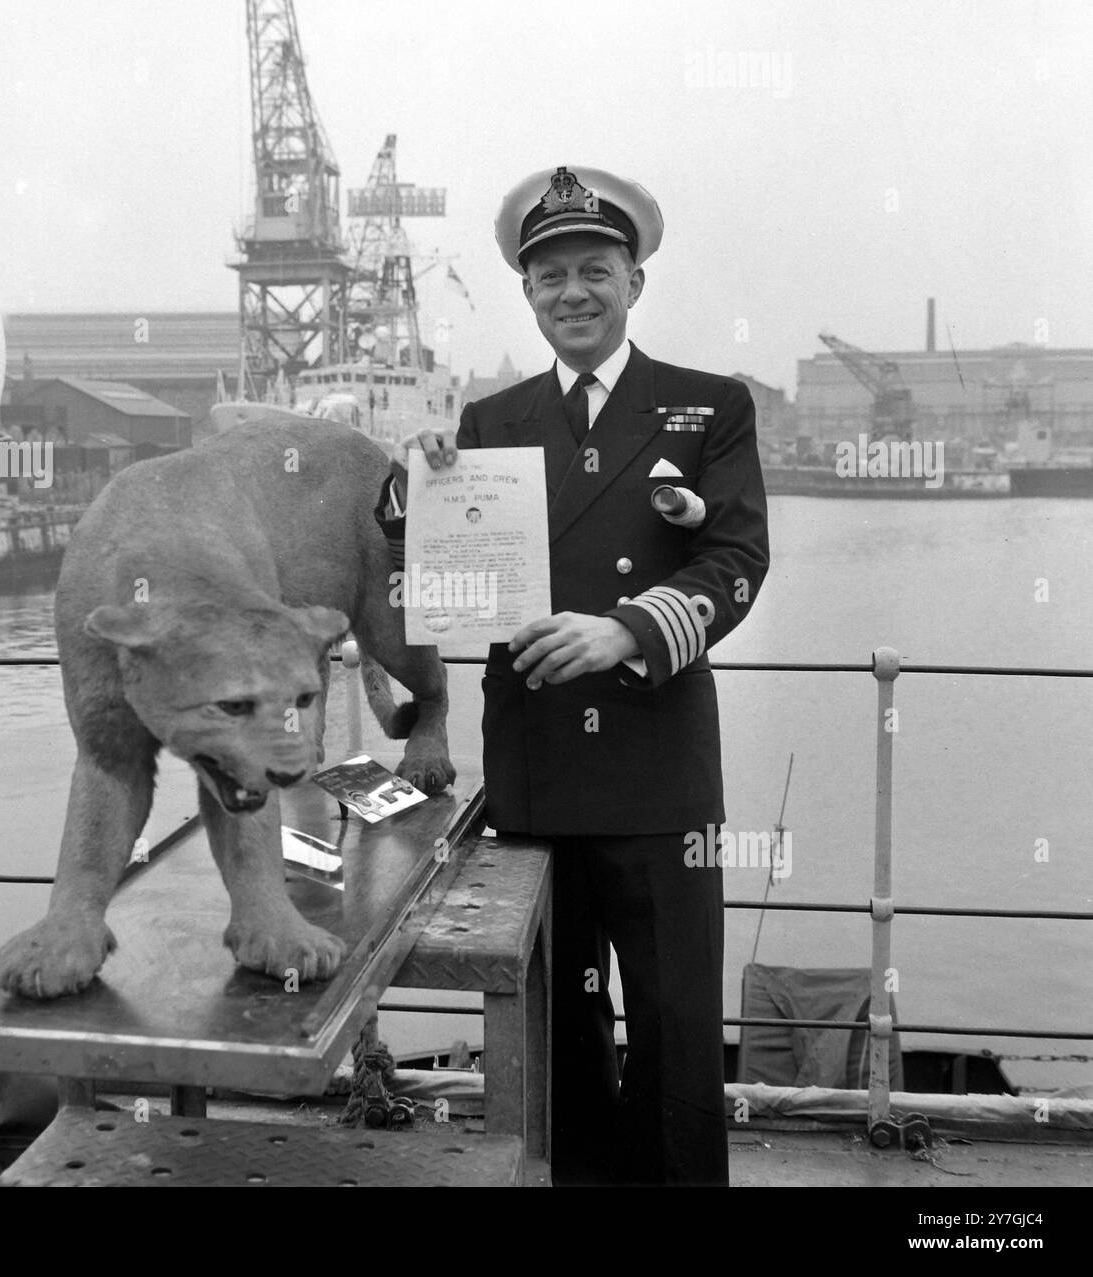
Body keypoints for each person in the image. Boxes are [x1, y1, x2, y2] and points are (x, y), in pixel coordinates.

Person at [374, 164, 769, 1185]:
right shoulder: (489, 421)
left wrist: (623, 632)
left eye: (595, 270)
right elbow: (431, 568)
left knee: (678, 1019)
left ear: (633, 280)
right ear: (527, 294)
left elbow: (735, 564)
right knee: (561, 1019)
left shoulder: (706, 405)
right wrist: (407, 479)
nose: (573, 294)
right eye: (550, 278)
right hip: (539, 769)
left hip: (657, 770)